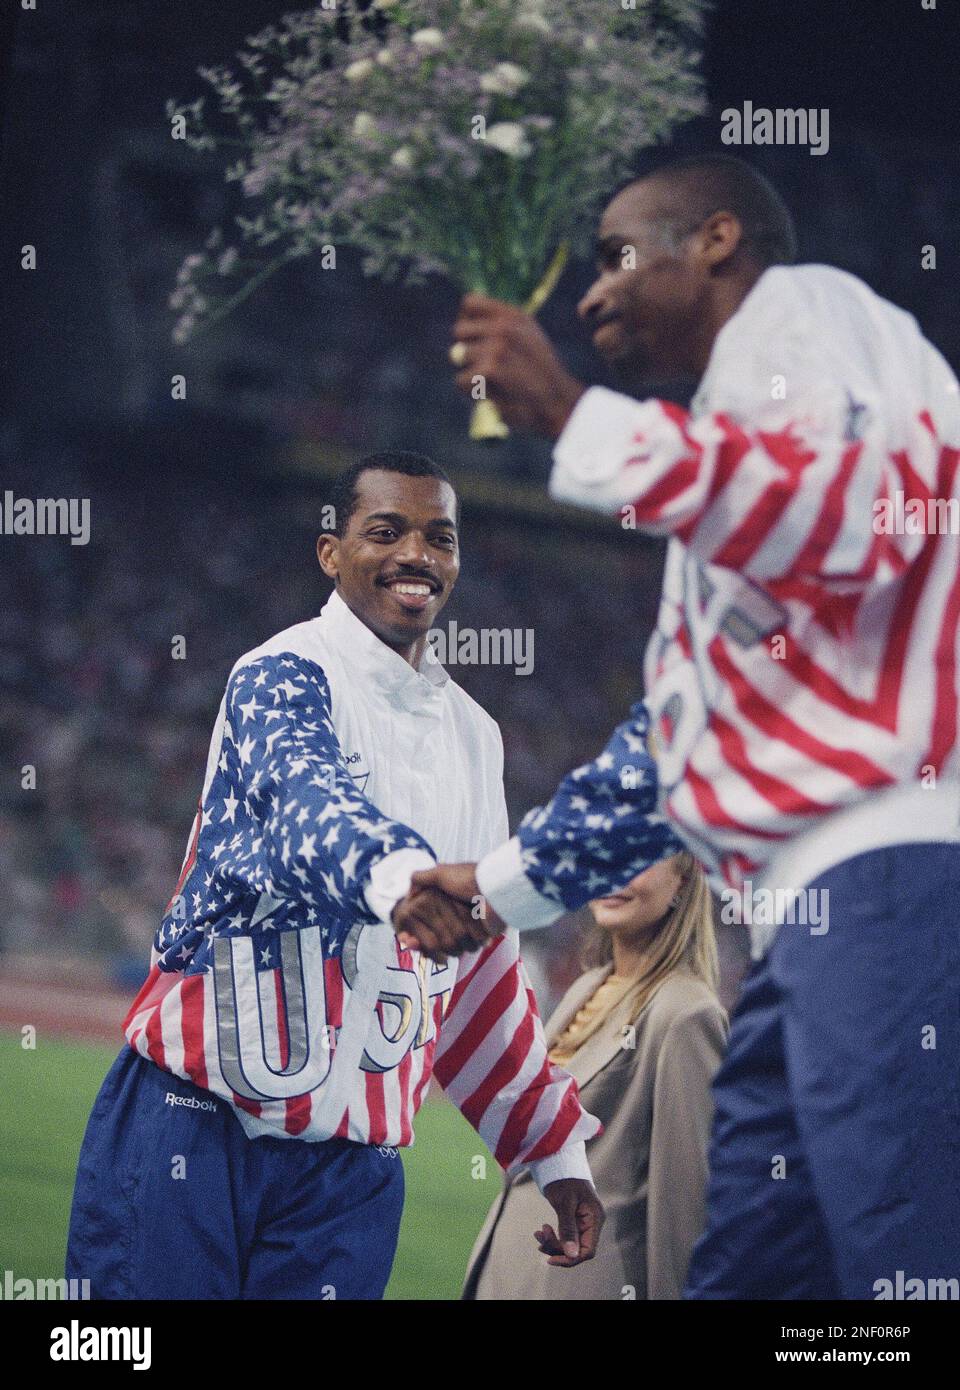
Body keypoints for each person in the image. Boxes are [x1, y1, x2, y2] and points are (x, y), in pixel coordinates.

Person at [398, 153, 960, 1298]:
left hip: (901, 861)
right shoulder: (731, 448)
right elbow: (672, 748)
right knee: (755, 1267)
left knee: (905, 1261)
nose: (590, 293)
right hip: (813, 908)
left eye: (617, 255)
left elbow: (865, 516)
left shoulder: (812, 318)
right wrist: (490, 886)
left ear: (716, 240)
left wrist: (572, 418)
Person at [65, 451, 604, 1301]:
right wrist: (404, 886)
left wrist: (551, 1146)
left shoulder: (477, 736)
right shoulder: (277, 674)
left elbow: (477, 976)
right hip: (194, 1122)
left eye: (439, 538)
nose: (416, 555)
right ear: (331, 551)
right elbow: (308, 809)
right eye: (384, 531)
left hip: (352, 1175)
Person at [463, 852, 727, 1300]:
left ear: (683, 881)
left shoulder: (686, 1013)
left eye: (639, 854)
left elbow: (682, 1205)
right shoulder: (589, 986)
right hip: (508, 1270)